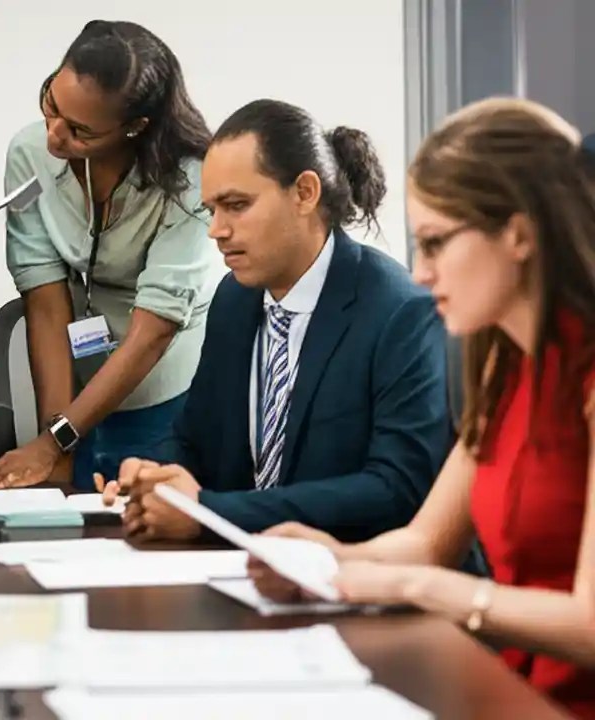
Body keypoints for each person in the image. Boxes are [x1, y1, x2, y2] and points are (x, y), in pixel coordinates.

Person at [249, 99, 595, 718]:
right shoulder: (505, 364)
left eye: (435, 244)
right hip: (512, 693)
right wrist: (327, 558)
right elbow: (428, 542)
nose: (421, 273)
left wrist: (418, 587)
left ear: (518, 235)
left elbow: (589, 625)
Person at [106, 99, 450, 542]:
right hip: (239, 570)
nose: (216, 230)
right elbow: (194, 439)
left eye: (236, 205)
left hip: (346, 570)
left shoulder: (400, 310)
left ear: (305, 193)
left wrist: (210, 514)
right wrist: (152, 475)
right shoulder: (233, 300)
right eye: (211, 210)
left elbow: (396, 489)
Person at [0, 21, 225, 492]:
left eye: (80, 131)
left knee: (147, 525)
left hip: (163, 391)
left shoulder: (191, 181)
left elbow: (154, 331)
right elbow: (45, 301)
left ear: (135, 128)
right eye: (51, 104)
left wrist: (55, 440)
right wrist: (57, 441)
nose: (54, 136)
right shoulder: (30, 154)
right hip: (76, 390)